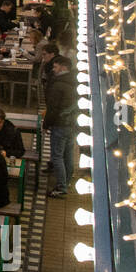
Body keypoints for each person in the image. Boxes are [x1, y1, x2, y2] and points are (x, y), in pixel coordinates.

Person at [44, 54, 76, 197]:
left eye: (56, 66)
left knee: (57, 156)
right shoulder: (73, 81)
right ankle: (67, 181)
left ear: (63, 67)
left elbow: (53, 108)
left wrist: (46, 124)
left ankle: (61, 188)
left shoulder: (58, 85)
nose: (53, 69)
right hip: (71, 123)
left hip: (60, 124)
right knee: (68, 155)